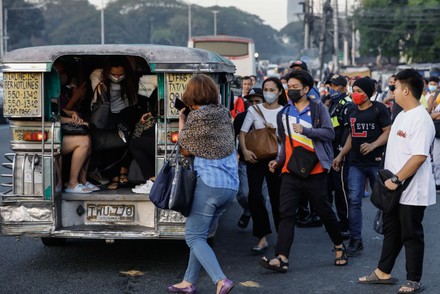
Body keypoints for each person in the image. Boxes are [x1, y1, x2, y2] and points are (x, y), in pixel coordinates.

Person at [259, 70, 347, 273]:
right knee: (286, 213)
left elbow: (329, 133)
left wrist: (306, 131)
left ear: (306, 89)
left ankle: (339, 246)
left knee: (324, 212)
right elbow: (284, 144)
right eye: (289, 87)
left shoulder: (317, 110)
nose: (291, 90)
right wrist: (278, 161)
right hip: (291, 172)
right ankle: (281, 258)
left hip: (315, 172)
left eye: (295, 87)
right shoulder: (284, 113)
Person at [358, 68, 436, 294]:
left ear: (405, 90)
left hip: (411, 189)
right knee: (392, 230)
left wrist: (396, 179)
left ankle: (413, 279)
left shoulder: (421, 119)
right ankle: (383, 271)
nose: (391, 91)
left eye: (394, 87)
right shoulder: (401, 114)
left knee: (411, 234)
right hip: (393, 188)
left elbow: (419, 156)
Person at [167, 74, 238, 294]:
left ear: (191, 94)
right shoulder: (224, 114)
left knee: (193, 236)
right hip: (229, 186)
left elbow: (185, 148)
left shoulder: (197, 118)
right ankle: (188, 282)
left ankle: (221, 280)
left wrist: (182, 121)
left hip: (208, 185)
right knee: (201, 234)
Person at [333, 77, 392, 257]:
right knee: (354, 201)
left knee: (385, 202)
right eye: (354, 90)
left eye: (359, 91)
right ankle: (355, 239)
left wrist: (374, 145)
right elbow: (352, 136)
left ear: (369, 93)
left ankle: (393, 236)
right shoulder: (351, 111)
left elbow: (388, 131)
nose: (355, 94)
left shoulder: (379, 109)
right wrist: (341, 155)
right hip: (356, 163)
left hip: (376, 163)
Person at [239, 77, 285, 253]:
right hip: (256, 158)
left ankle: (283, 236)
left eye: (272, 90)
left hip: (277, 159)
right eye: (266, 89)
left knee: (277, 199)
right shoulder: (254, 110)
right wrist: (245, 151)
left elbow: (287, 140)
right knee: (255, 197)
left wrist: (272, 131)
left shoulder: (285, 111)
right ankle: (262, 237)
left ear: (280, 92)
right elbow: (243, 133)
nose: (268, 93)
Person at [90, 56, 139, 190]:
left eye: (120, 74)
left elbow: (133, 99)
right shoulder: (97, 74)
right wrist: (102, 85)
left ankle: (123, 171)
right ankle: (114, 177)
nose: (117, 77)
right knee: (109, 142)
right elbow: (97, 96)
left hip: (125, 111)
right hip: (106, 113)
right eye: (113, 74)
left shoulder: (130, 78)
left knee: (127, 140)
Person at [233, 88, 265, 229]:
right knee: (244, 194)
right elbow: (232, 139)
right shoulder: (241, 118)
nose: (253, 104)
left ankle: (261, 230)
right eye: (250, 101)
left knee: (263, 198)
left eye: (257, 101)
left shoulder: (271, 117)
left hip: (266, 162)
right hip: (246, 163)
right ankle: (248, 210)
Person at [326, 74, 352, 239]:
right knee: (328, 189)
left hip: (340, 152)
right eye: (330, 85)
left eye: (334, 86)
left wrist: (342, 153)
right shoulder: (332, 103)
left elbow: (348, 131)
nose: (331, 88)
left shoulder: (347, 105)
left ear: (343, 87)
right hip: (329, 151)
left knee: (341, 191)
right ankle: (333, 221)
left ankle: (346, 225)